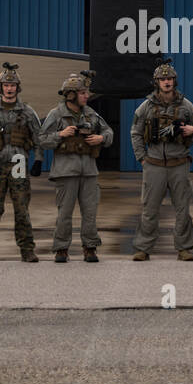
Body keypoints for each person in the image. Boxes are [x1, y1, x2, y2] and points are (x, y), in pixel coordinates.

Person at [129, 59, 193, 261]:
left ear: (175, 81)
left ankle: (184, 248)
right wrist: (141, 158)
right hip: (153, 165)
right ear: (157, 82)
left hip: (179, 164)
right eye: (163, 79)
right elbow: (135, 133)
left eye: (170, 78)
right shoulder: (145, 106)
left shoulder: (186, 105)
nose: (167, 82)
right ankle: (143, 248)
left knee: (182, 209)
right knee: (149, 209)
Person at [0, 62, 44, 263]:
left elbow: (39, 137)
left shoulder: (27, 111)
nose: (9, 88)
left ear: (17, 87)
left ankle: (27, 249)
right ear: (0, 87)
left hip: (19, 163)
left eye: (12, 85)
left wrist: (38, 160)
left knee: (22, 209)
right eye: (5, 85)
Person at [38, 70, 113, 263]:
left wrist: (101, 138)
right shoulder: (56, 115)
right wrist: (60, 135)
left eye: (86, 92)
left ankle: (90, 247)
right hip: (65, 172)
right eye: (82, 93)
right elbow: (42, 140)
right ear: (71, 94)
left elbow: (108, 132)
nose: (86, 96)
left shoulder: (90, 114)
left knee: (90, 212)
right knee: (64, 213)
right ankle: (61, 248)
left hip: (88, 172)